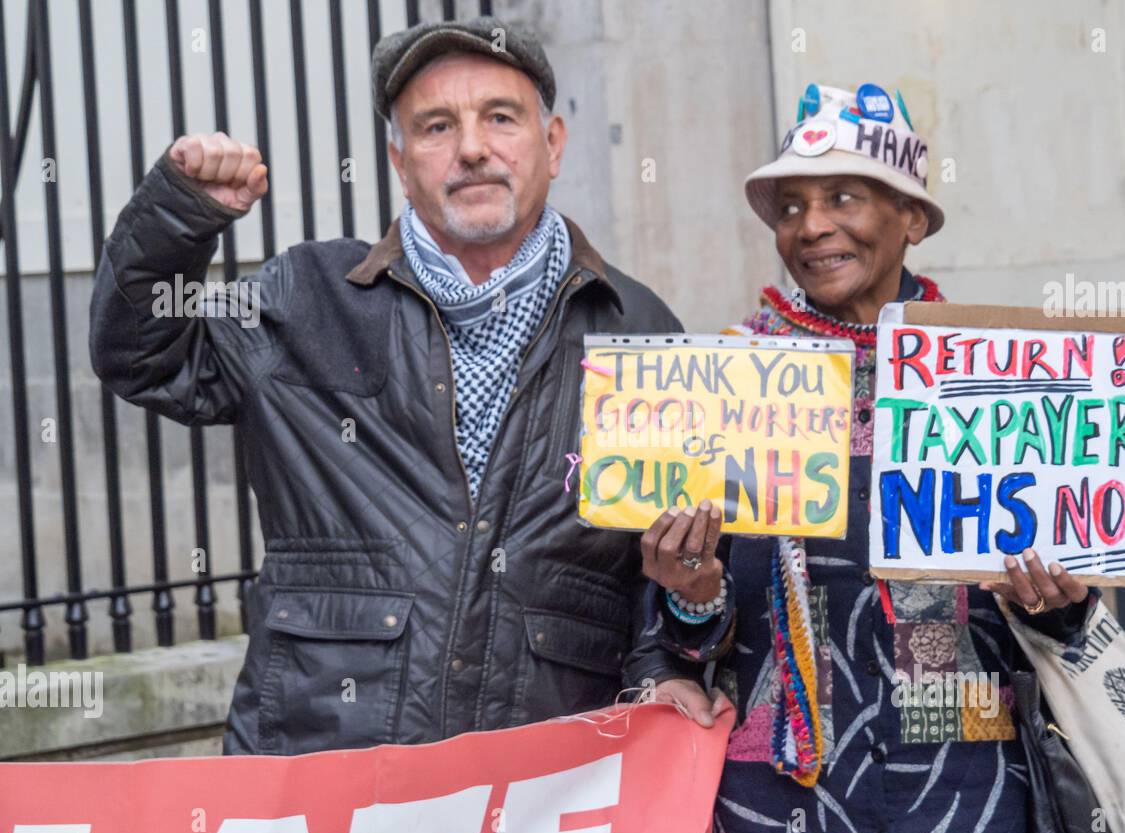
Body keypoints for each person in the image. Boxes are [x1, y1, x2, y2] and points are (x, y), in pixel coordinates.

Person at [89, 16, 705, 756]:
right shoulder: (308, 296)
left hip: (540, 797)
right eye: (437, 126)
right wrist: (177, 219)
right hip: (321, 789)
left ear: (554, 144)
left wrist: (665, 667)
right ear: (400, 160)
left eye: (500, 118)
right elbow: (141, 353)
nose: (472, 148)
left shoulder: (638, 327)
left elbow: (660, 575)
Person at [636, 82, 1102, 833]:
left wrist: (1057, 604)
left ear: (911, 218)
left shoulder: (999, 376)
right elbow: (681, 643)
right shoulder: (725, 383)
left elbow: (1064, 621)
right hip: (783, 798)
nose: (812, 226)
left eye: (843, 197)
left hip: (962, 790)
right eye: (790, 207)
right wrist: (691, 592)